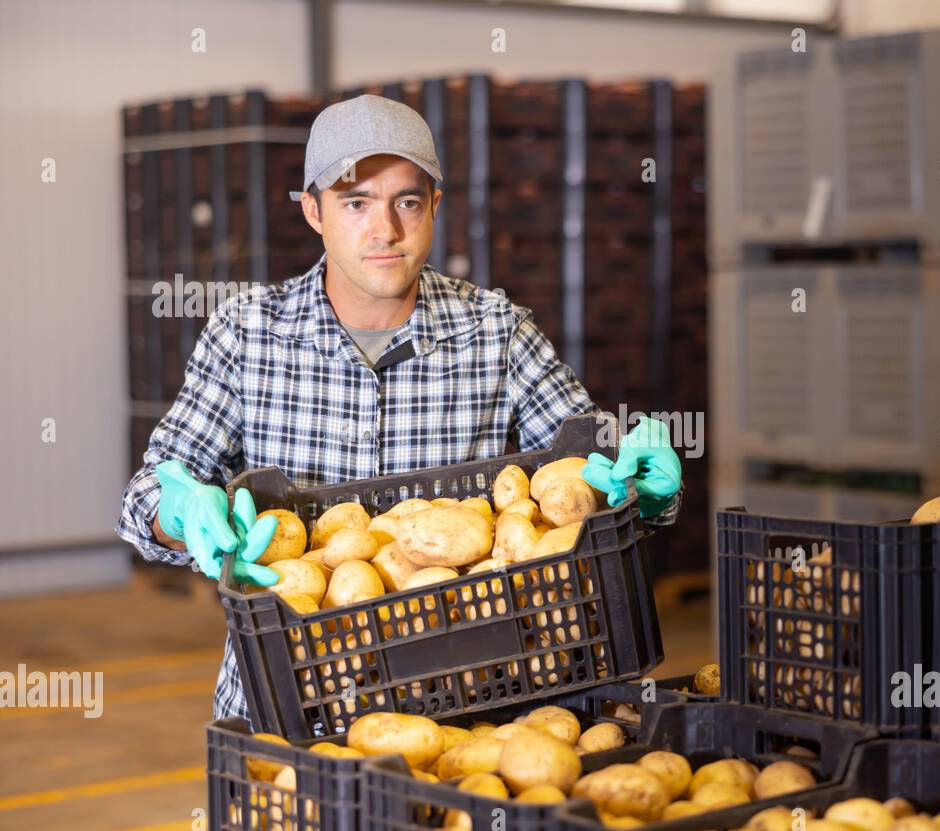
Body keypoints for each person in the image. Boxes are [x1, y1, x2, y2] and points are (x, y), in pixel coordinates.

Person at [115, 94, 683, 723]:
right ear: (313, 212)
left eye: (406, 201)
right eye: (355, 203)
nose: (384, 229)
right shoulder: (246, 335)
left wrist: (643, 490)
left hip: (470, 703)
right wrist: (181, 510)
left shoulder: (497, 331)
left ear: (435, 208)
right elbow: (146, 497)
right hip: (289, 708)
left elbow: (590, 482)